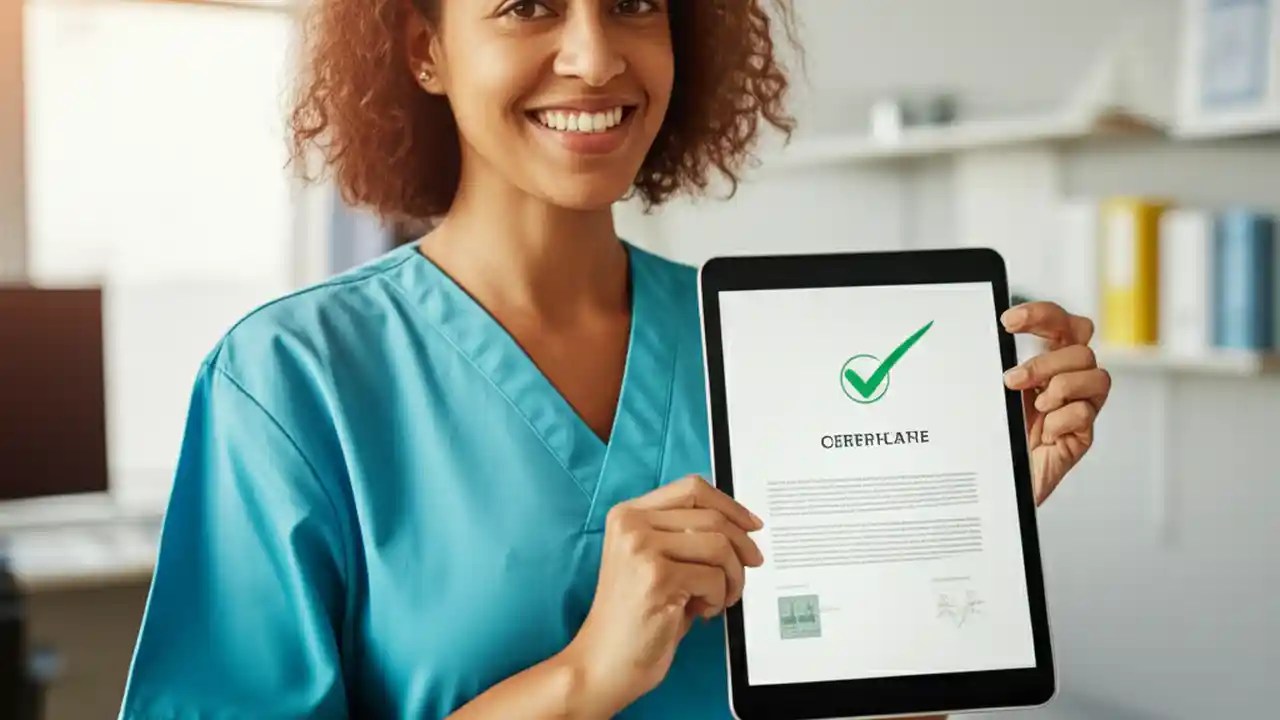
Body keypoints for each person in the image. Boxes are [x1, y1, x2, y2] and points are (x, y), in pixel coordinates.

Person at [119, 1, 1112, 718]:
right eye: (527, 8)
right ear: (425, 49)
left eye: (634, 3)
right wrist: (584, 678)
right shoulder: (293, 380)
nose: (594, 57)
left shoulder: (774, 346)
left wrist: (955, 525)